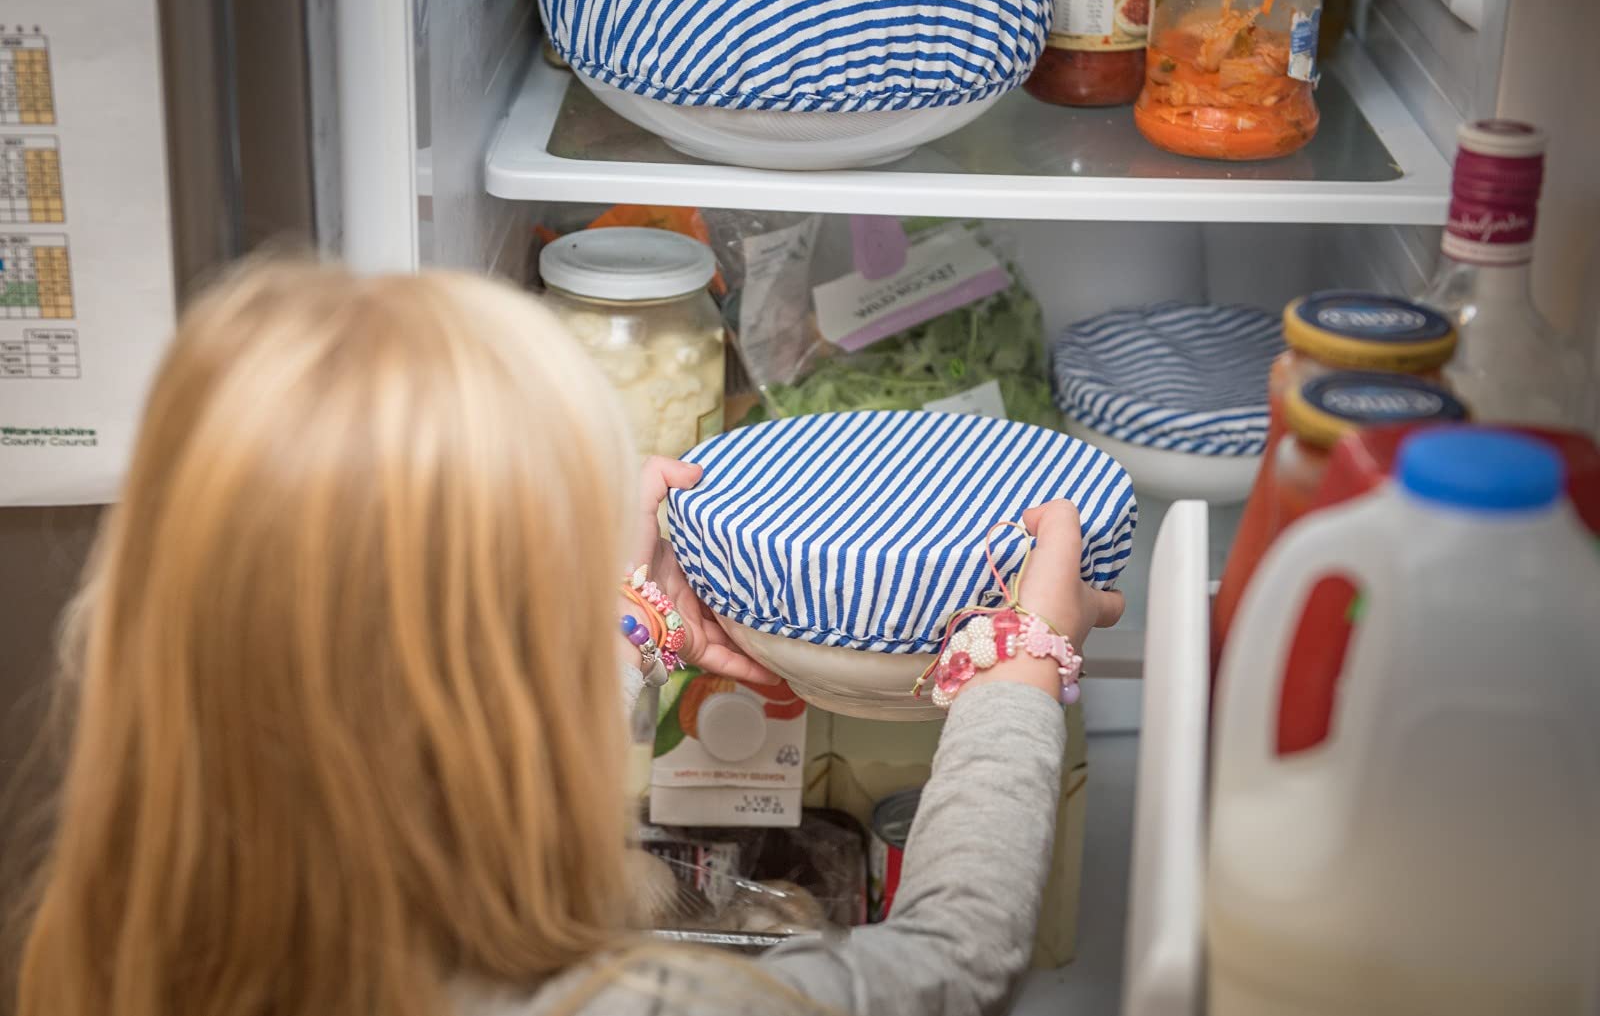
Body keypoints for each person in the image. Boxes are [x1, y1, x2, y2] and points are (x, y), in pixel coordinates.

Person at [14, 263, 1124, 1016]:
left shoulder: (115, 945)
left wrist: (625, 627)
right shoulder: (630, 1004)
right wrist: (1021, 673)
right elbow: (947, 961)